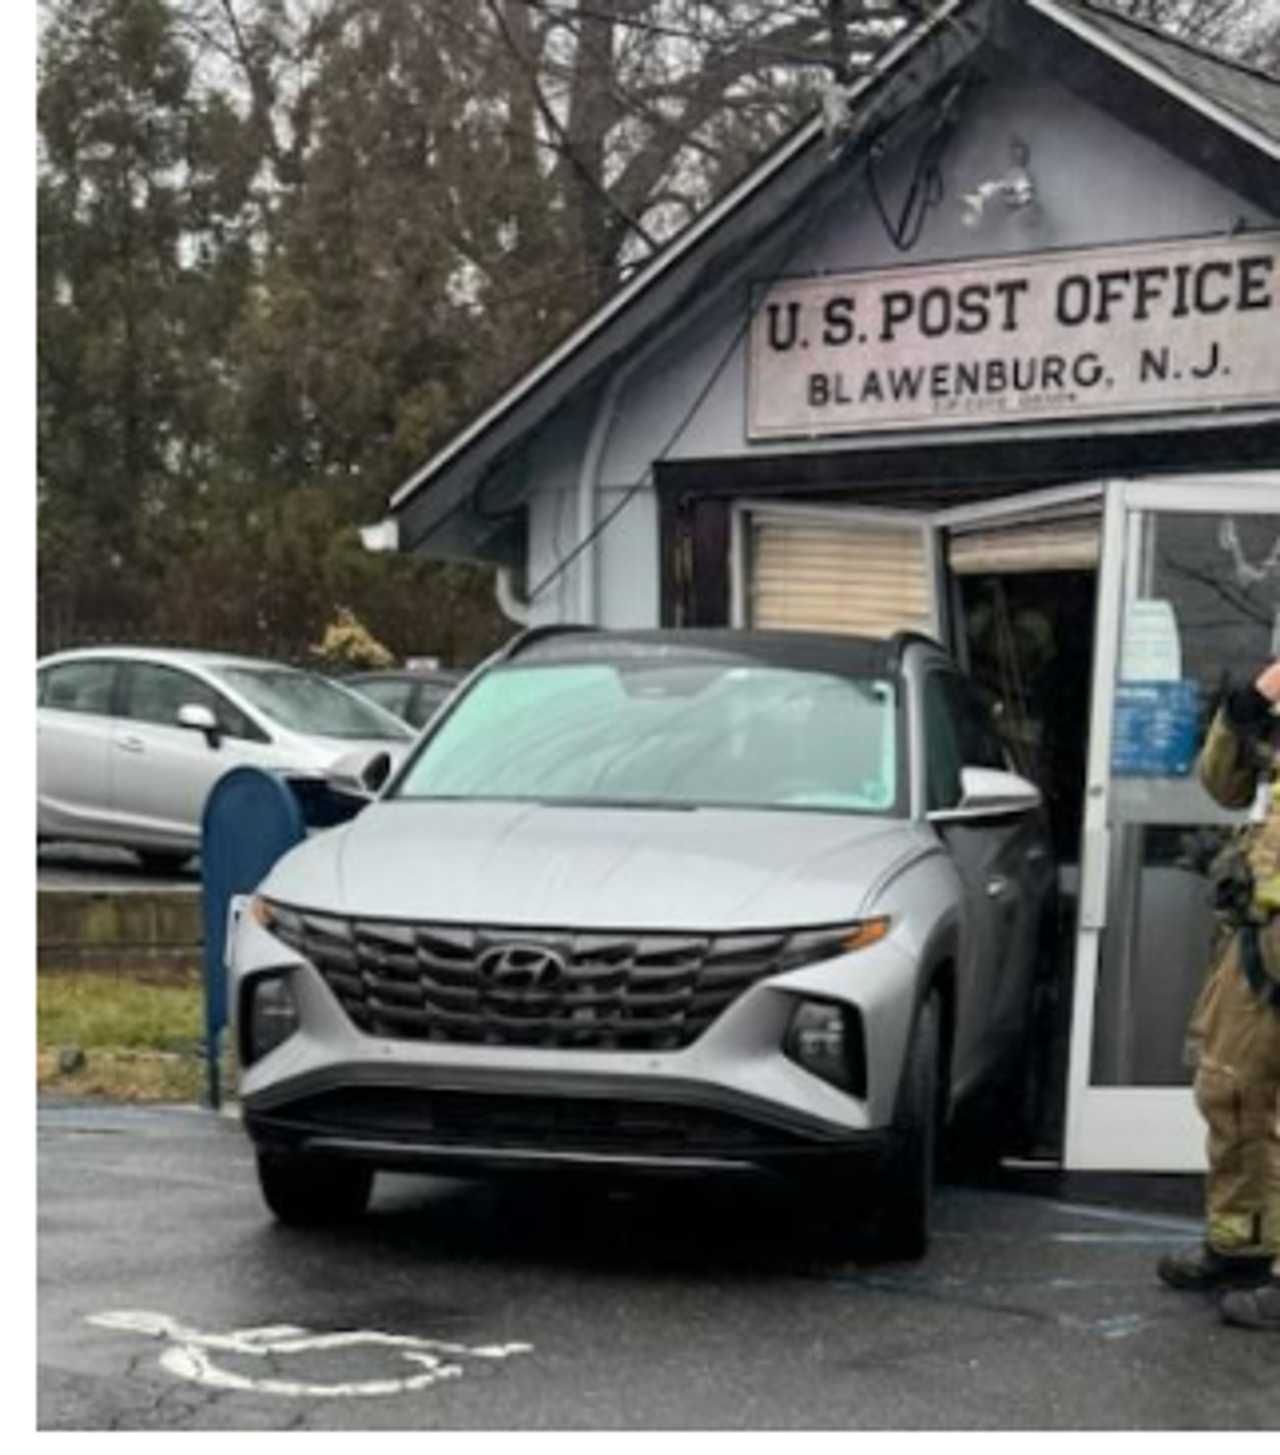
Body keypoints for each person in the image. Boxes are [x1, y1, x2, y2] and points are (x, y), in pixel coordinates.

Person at [1156, 659, 1280, 1330]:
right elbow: (1225, 787)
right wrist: (1243, 712)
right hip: (1262, 937)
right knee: (1231, 1087)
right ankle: (1243, 1242)